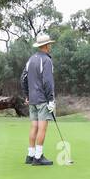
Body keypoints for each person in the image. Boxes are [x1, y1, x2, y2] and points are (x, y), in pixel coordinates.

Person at [24, 32, 56, 166]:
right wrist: (51, 100)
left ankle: (30, 155)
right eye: (49, 44)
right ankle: (38, 157)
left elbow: (23, 78)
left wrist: (27, 95)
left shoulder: (31, 59)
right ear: (47, 46)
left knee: (34, 126)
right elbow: (48, 82)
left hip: (32, 99)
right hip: (42, 99)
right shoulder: (47, 60)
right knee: (42, 127)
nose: (50, 46)